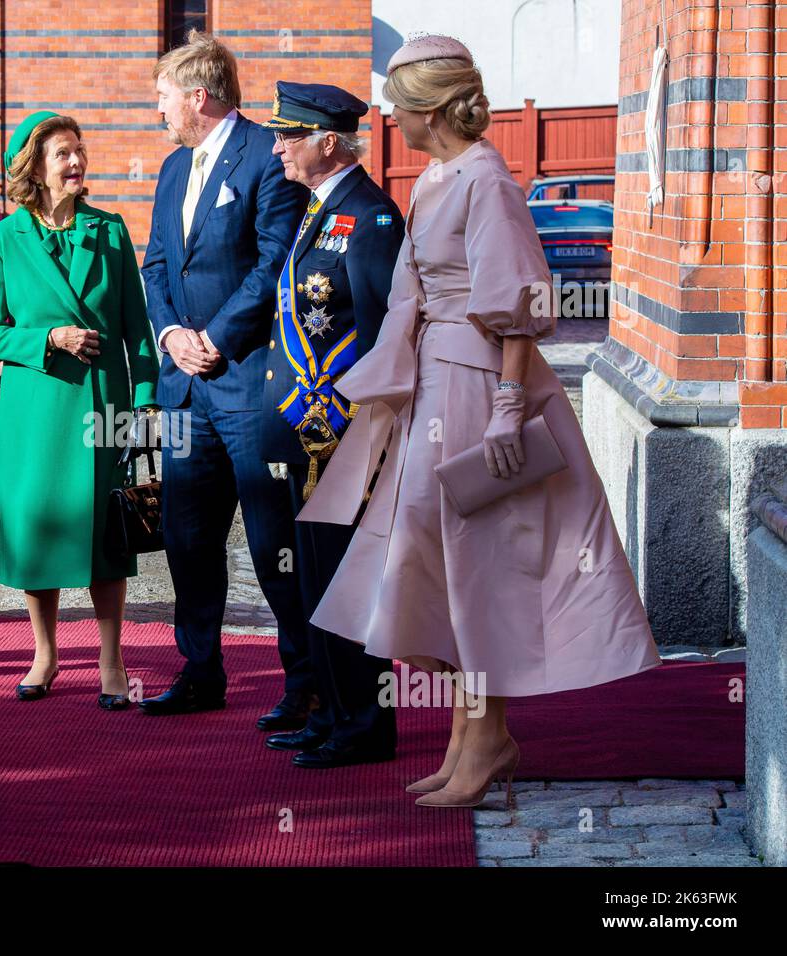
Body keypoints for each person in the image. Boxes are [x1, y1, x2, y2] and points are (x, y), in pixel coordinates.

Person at [298, 36, 662, 806]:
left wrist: (506, 410)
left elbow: (527, 305)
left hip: (477, 387)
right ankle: (472, 734)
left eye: (398, 99)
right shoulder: (436, 179)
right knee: (434, 565)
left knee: (474, 564)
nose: (389, 114)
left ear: (430, 106)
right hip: (437, 383)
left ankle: (487, 735)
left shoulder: (486, 181)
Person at [138, 31, 312, 726]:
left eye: (162, 97)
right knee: (186, 536)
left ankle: (306, 680)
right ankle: (200, 669)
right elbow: (155, 265)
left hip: (247, 382)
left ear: (197, 97)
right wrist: (173, 335)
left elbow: (274, 264)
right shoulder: (173, 169)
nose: (158, 110)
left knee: (275, 543)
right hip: (185, 387)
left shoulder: (265, 157)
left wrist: (216, 337)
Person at [0, 111, 160, 708]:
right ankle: (45, 655)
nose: (76, 162)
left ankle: (111, 662)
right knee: (38, 530)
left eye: (79, 151)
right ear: (34, 165)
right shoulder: (1, 239)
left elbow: (140, 333)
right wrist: (48, 338)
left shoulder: (110, 231)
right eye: (62, 153)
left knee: (109, 533)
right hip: (37, 411)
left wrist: (147, 407)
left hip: (103, 404)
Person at [257, 82, 403, 769]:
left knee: (348, 579)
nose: (278, 145)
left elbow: (381, 332)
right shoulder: (322, 208)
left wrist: (357, 423)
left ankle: (365, 723)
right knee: (318, 578)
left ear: (329, 141)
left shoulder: (371, 216)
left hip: (344, 434)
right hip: (310, 433)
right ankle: (331, 712)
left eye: (289, 134)